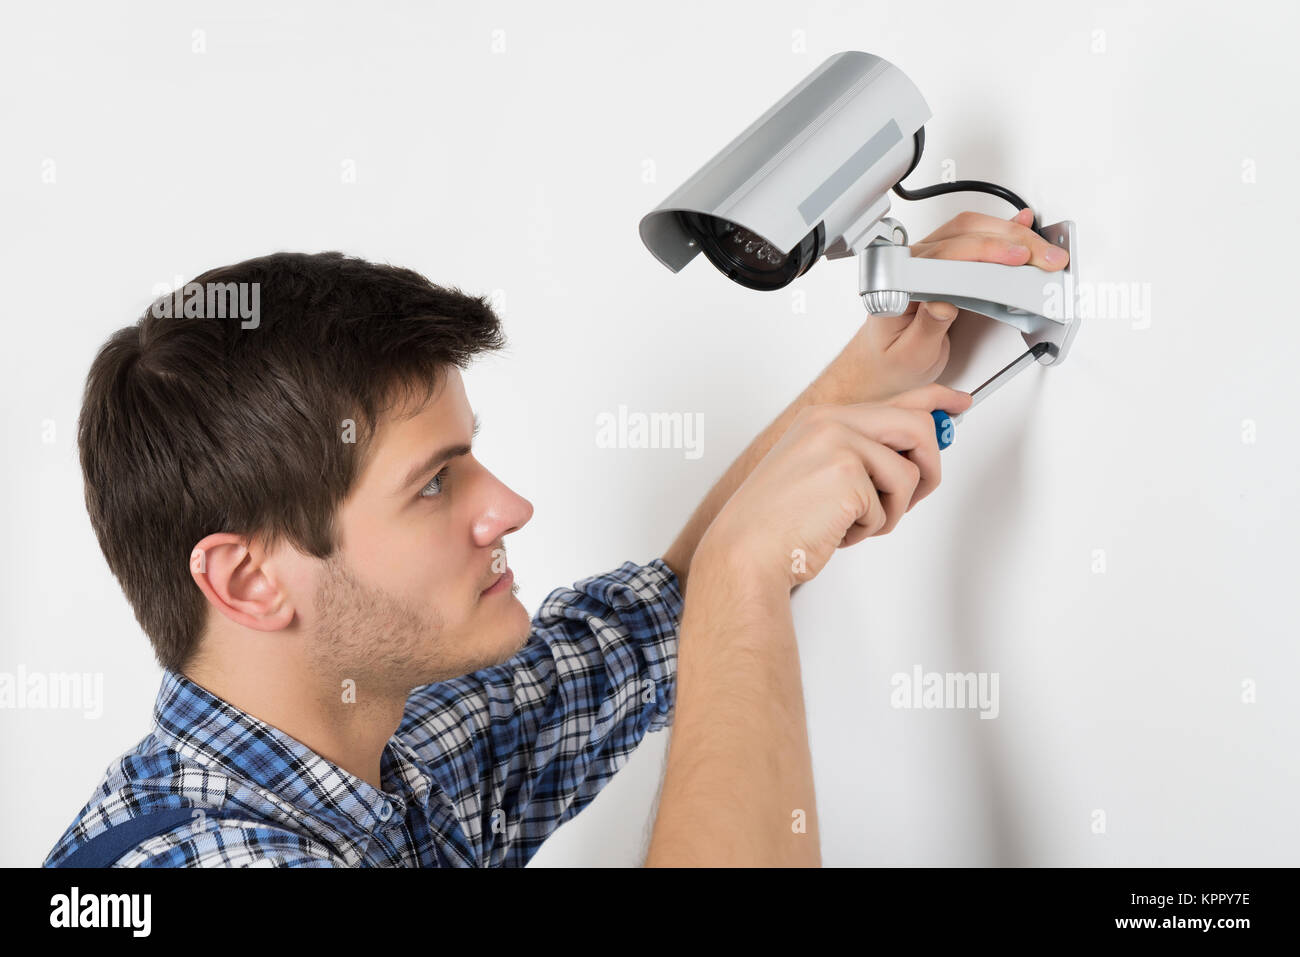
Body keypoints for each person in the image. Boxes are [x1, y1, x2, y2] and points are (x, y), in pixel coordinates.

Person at [43, 208, 1065, 867]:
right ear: (250, 581)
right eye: (436, 484)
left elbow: (653, 620)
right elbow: (715, 592)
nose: (508, 507)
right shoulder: (200, 866)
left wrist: (875, 366)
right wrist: (746, 576)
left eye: (470, 455)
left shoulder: (400, 747)